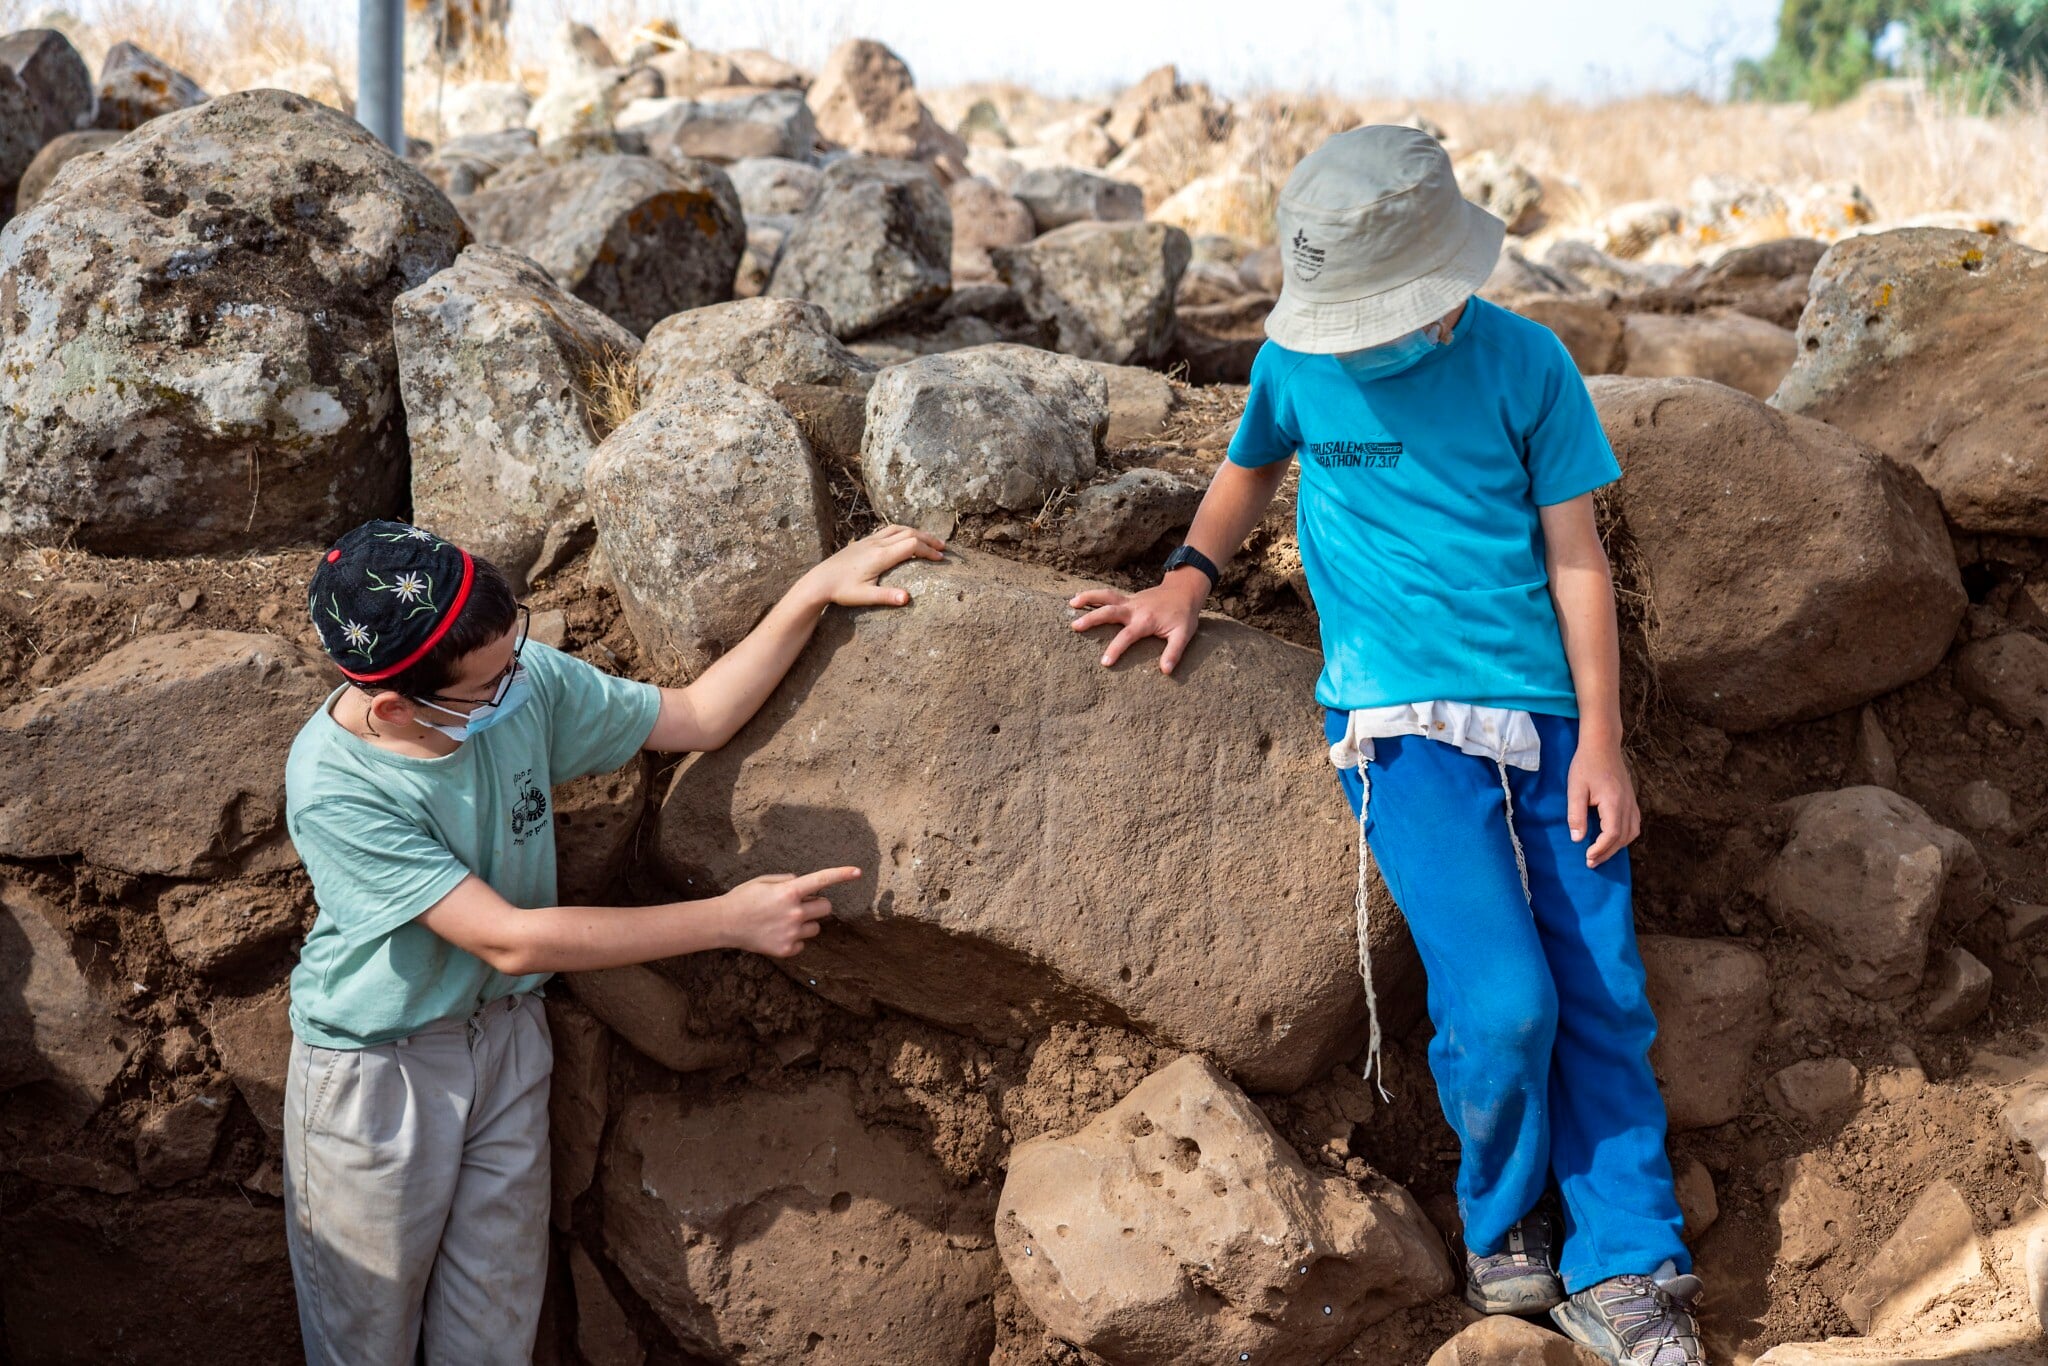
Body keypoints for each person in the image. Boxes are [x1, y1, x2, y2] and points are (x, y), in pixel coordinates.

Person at [1066, 126, 1703, 1366]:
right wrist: (1187, 577)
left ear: (1446, 280)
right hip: (1399, 726)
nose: (1360, 333)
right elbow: (1245, 472)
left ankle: (1629, 1263)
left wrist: (1604, 743)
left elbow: (1574, 559)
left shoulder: (1527, 363)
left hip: (1549, 720)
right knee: (1507, 1002)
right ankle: (1502, 1213)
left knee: (1603, 993)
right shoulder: (1295, 362)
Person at [282, 517, 943, 1365]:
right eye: (488, 684)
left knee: (491, 1340)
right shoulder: (336, 785)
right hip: (381, 1073)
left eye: (514, 654)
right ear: (394, 707)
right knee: (364, 1346)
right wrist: (728, 923)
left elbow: (699, 715)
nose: (517, 685)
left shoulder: (513, 683)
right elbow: (511, 940)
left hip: (507, 1041)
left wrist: (811, 591)